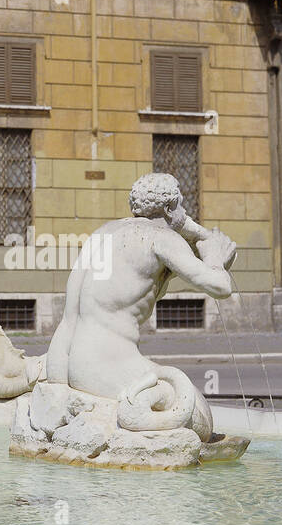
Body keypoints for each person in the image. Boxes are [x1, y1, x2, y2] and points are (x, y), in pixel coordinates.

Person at [46, 171, 236, 403]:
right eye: (181, 207)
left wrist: (57, 386)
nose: (185, 214)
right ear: (168, 209)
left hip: (75, 364)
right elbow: (221, 287)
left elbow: (68, 320)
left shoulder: (101, 234)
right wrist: (215, 258)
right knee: (195, 409)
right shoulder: (161, 238)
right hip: (111, 365)